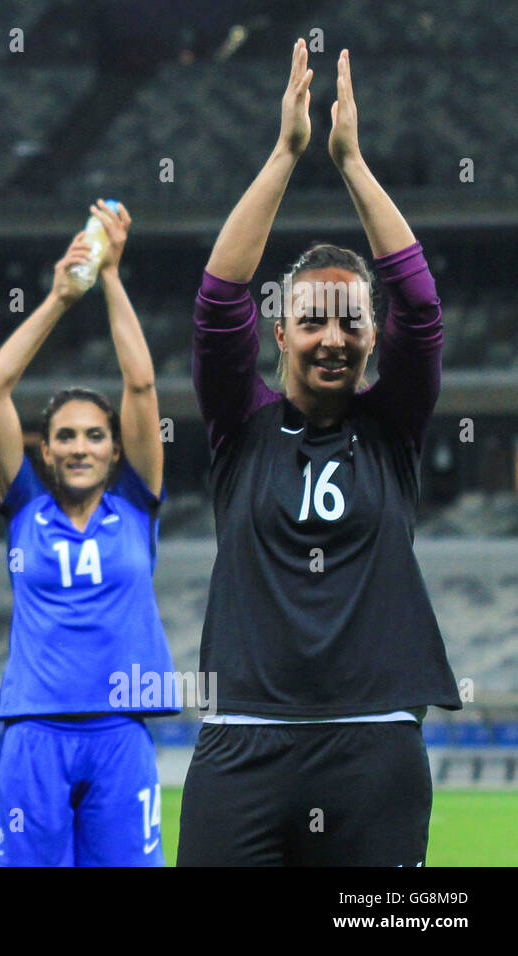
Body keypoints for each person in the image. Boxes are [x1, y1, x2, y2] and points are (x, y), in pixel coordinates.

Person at [178, 43, 462, 866]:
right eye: (313, 319)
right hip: (243, 743)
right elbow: (217, 302)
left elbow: (421, 304)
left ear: (374, 336)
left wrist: (352, 164)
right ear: (281, 331)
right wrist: (283, 155)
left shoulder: (394, 425)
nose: (333, 338)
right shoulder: (240, 423)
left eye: (351, 321)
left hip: (375, 745)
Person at [0, 204, 175, 866]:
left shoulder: (137, 507)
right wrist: (61, 299)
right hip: (34, 729)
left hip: (121, 732)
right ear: (48, 450)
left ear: (116, 450)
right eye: (65, 436)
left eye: (95, 435)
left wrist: (110, 277)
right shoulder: (24, 507)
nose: (81, 446)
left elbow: (141, 384)